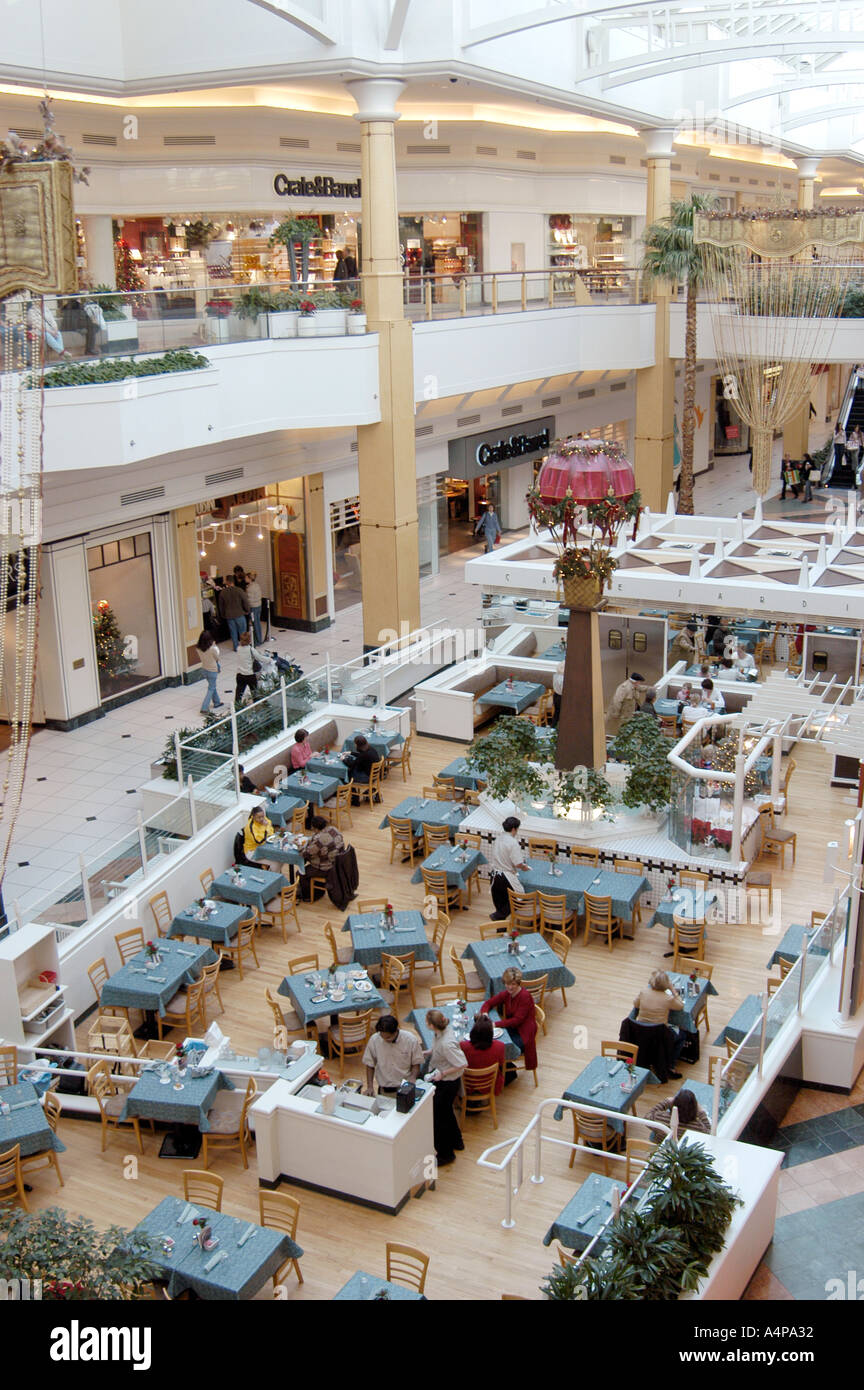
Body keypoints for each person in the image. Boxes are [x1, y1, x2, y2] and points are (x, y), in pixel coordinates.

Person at [424, 1009, 467, 1166]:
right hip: (445, 1078)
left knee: (439, 1118)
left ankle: (446, 1153)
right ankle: (457, 1141)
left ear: (431, 1025)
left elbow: (462, 1063)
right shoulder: (441, 1034)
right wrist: (429, 1052)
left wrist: (443, 1073)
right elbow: (438, 1048)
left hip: (447, 1082)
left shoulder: (446, 1044)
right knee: (447, 1112)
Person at [480, 967, 537, 1082]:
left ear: (518, 983)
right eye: (507, 984)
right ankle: (501, 1069)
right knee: (493, 1042)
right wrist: (485, 1014)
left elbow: (517, 1020)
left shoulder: (525, 996)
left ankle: (503, 1073)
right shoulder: (507, 994)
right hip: (512, 1028)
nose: (510, 987)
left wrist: (495, 1024)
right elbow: (488, 1003)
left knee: (498, 1046)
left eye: (513, 984)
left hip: (524, 1034)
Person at [633, 969, 684, 1080]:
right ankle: (670, 1066)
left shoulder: (644, 992)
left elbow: (636, 1004)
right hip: (660, 1035)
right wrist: (673, 990)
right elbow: (680, 1006)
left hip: (641, 1032)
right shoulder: (668, 998)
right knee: (682, 1035)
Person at [362, 1015, 424, 1096]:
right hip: (384, 1090)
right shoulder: (374, 1040)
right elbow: (370, 1064)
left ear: (396, 1031)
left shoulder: (410, 1040)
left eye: (388, 1038)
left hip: (405, 1088)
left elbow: (416, 1062)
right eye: (382, 1037)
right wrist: (370, 1087)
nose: (385, 1040)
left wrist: (413, 1077)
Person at [488, 815, 528, 920]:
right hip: (505, 877)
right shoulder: (513, 843)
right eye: (517, 829)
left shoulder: (498, 839)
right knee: (521, 898)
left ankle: (500, 925)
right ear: (514, 829)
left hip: (494, 875)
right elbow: (518, 864)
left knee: (500, 903)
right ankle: (498, 915)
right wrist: (524, 867)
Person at [299, 814, 344, 898]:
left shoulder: (319, 841)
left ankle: (310, 896)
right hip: (336, 863)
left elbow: (305, 854)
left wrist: (298, 846)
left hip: (326, 867)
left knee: (300, 873)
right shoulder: (333, 829)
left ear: (316, 828)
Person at [459, 1013, 506, 1095]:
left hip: (468, 1085)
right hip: (490, 1084)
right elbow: (501, 1063)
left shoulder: (463, 1046)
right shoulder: (500, 1046)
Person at [646, 1089, 711, 1135]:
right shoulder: (698, 1127)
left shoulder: (660, 1118)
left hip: (663, 1143)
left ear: (674, 1104)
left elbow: (647, 1117)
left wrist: (666, 1102)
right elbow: (709, 1132)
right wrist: (701, 1112)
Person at [217, 576, 250, 651]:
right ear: (233, 581)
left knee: (233, 632)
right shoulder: (239, 590)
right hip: (239, 614)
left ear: (227, 582)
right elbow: (245, 601)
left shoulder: (223, 592)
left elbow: (221, 606)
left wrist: (223, 614)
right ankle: (244, 647)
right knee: (242, 632)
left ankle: (236, 647)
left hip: (229, 615)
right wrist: (247, 610)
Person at [196, 630, 224, 714]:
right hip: (212, 670)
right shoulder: (212, 649)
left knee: (212, 686)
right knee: (211, 688)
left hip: (204, 669)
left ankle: (217, 702)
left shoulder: (198, 648)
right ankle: (204, 707)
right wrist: (214, 646)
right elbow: (217, 658)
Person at [234, 630, 259, 706]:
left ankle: (237, 707)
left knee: (239, 693)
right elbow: (259, 657)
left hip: (240, 675)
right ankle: (257, 706)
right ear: (249, 640)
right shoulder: (251, 649)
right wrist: (269, 659)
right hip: (250, 675)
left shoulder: (238, 648)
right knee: (254, 693)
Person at [246, 571, 263, 644]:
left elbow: (249, 600)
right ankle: (259, 639)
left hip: (253, 607)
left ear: (249, 578)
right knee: (257, 623)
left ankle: (256, 641)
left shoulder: (250, 588)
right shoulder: (257, 585)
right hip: (259, 605)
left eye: (246, 577)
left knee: (254, 624)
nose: (245, 579)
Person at [551, 659, 564, 727]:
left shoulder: (556, 675)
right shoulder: (562, 679)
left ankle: (553, 727)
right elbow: (563, 690)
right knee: (560, 714)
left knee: (556, 713)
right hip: (561, 697)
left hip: (556, 695)